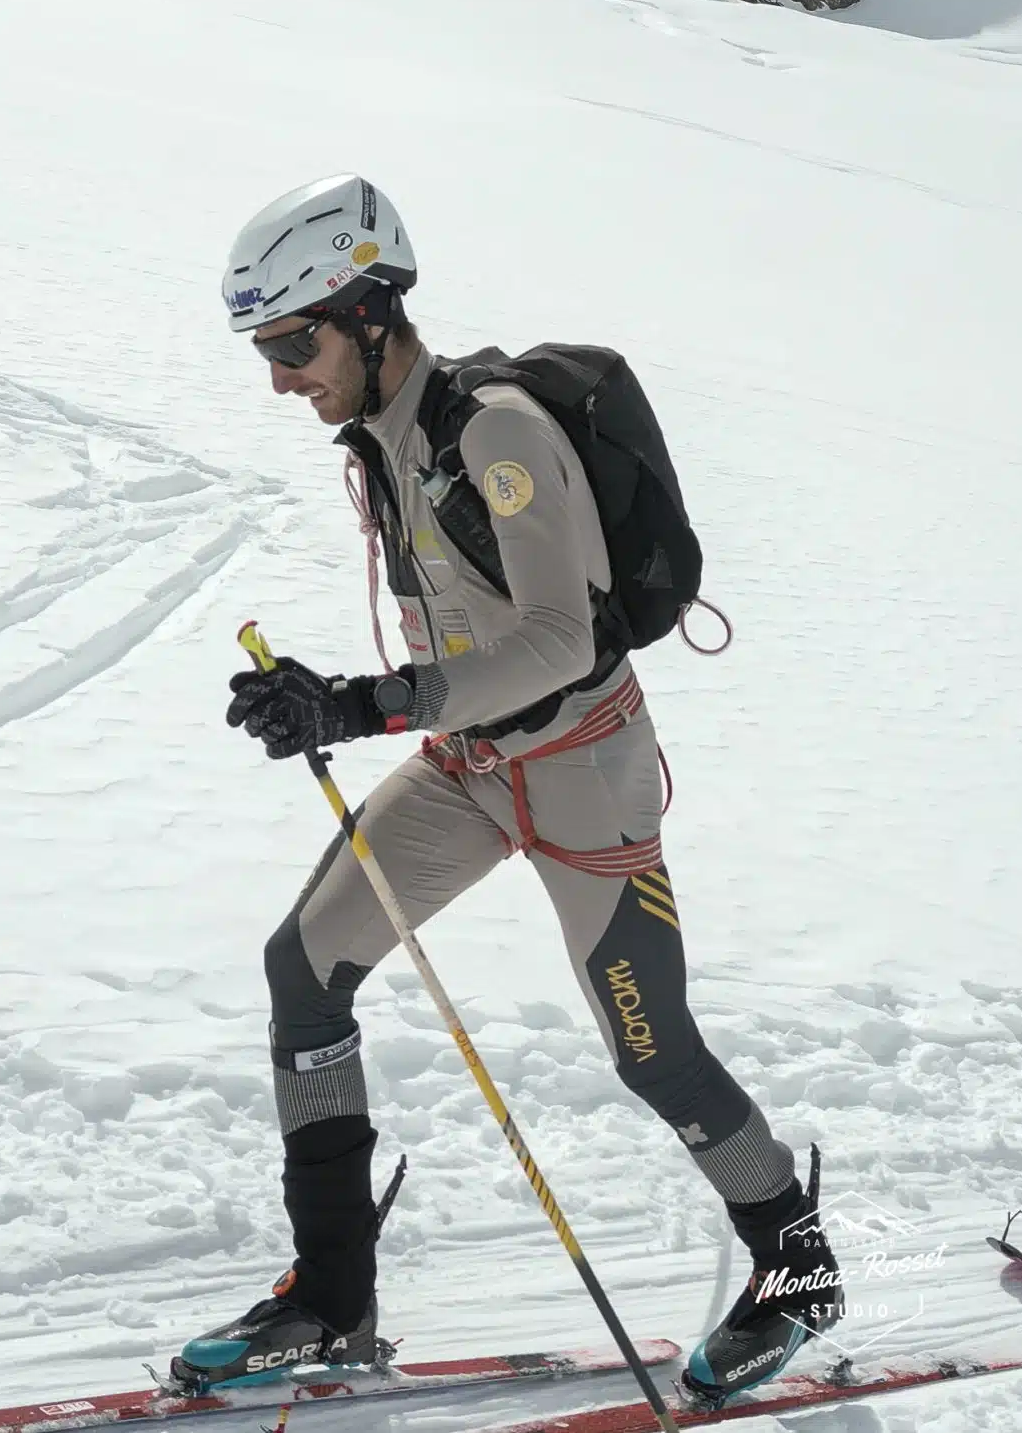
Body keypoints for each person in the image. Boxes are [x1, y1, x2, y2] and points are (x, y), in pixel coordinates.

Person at [171, 174, 840, 1403]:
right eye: (262, 348)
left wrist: (367, 701)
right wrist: (321, 698)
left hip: (583, 771)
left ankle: (797, 1272)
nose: (276, 375)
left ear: (370, 312)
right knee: (303, 968)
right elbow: (463, 636)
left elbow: (558, 641)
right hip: (470, 767)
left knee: (654, 1052)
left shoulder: (496, 430)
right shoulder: (386, 437)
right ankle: (332, 1298)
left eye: (290, 341)